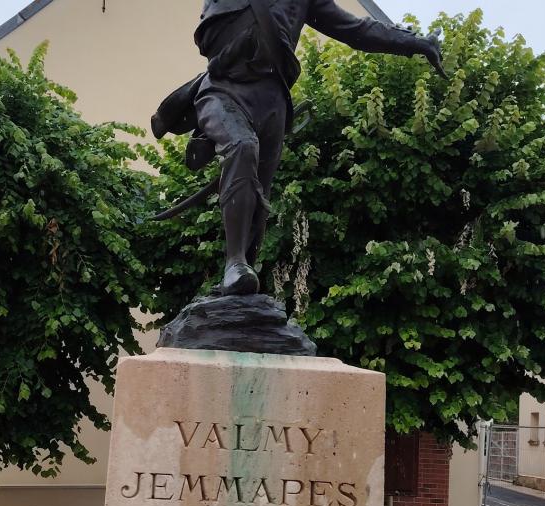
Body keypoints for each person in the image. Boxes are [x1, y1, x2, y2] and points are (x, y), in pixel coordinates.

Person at [153, 0, 446, 296]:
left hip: (273, 101)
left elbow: (356, 29)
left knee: (261, 196)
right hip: (223, 90)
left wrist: (416, 42)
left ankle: (243, 281)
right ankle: (235, 263)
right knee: (242, 146)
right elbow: (208, 37)